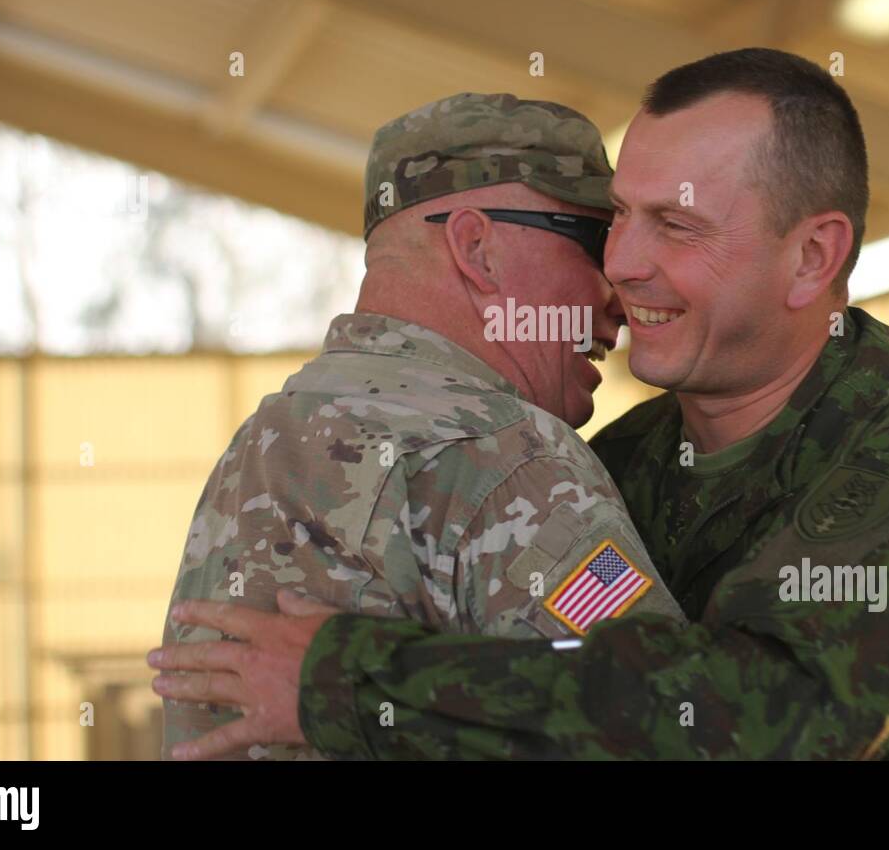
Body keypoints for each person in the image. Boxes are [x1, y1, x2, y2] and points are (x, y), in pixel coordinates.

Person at [151, 49, 889, 760]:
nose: (621, 266)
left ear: (812, 256)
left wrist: (342, 679)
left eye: (674, 226)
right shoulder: (624, 457)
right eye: (613, 220)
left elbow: (775, 721)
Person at [158, 91, 684, 759]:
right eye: (594, 243)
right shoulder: (500, 453)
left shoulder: (264, 443)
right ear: (477, 248)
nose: (617, 296)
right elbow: (673, 726)